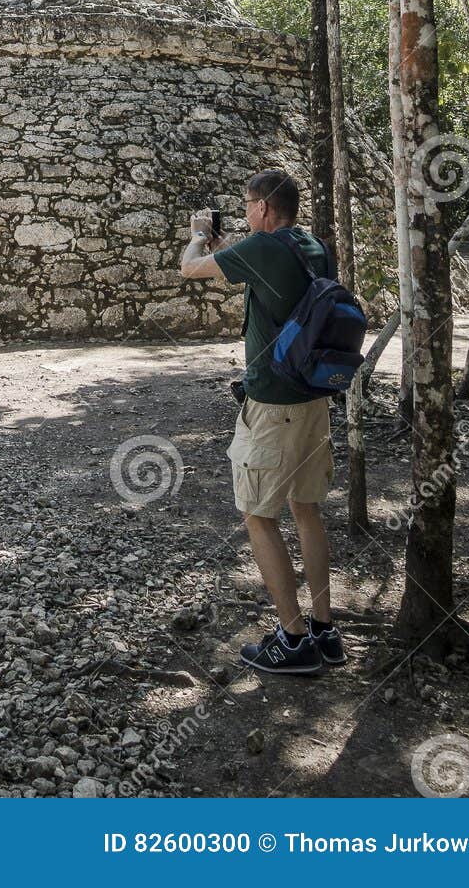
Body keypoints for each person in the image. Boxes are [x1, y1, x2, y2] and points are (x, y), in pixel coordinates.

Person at [179, 170, 346, 677]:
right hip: (314, 400)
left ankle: (292, 639)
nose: (247, 210)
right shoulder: (312, 246)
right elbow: (272, 280)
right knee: (307, 510)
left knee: (257, 516)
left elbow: (189, 270)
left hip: (272, 406)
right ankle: (324, 628)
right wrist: (233, 248)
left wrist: (197, 238)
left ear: (265, 210)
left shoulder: (259, 247)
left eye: (249, 204)